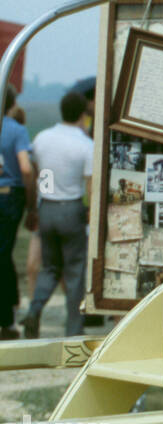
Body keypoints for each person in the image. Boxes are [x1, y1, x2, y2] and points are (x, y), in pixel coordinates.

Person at [22, 91, 93, 338]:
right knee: (74, 272)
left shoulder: (42, 138)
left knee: (49, 268)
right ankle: (74, 331)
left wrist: (39, 204)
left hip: (47, 207)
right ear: (83, 115)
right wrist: (90, 212)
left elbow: (39, 171)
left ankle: (34, 309)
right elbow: (90, 185)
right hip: (71, 208)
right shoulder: (85, 144)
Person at [0, 90, 37, 339]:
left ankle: (9, 310)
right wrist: (31, 203)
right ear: (12, 104)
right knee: (3, 254)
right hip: (9, 195)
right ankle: (7, 320)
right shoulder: (16, 129)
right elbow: (25, 167)